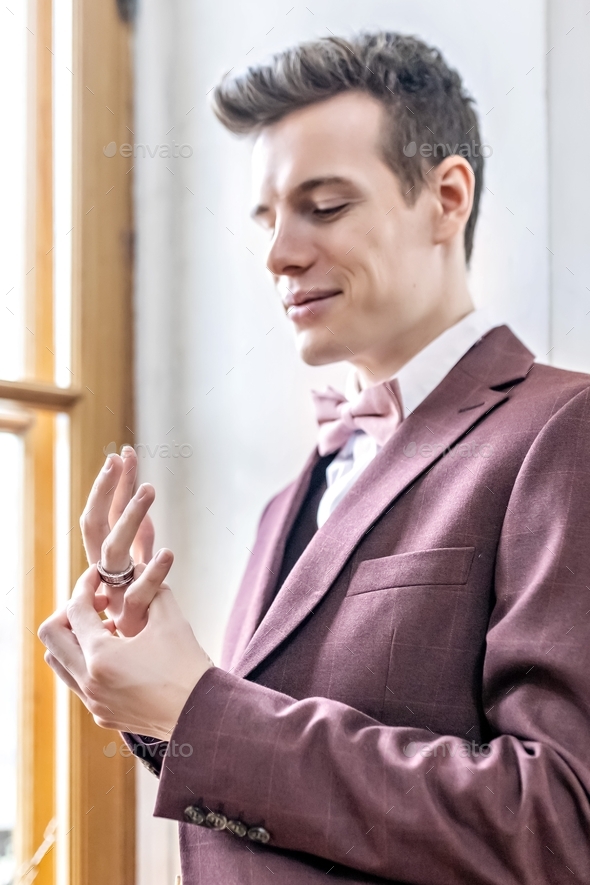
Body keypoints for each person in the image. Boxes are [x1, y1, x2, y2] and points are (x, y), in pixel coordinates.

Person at [39, 31, 590, 885]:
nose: (278, 255)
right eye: (267, 218)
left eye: (324, 206)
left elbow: (559, 824)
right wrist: (150, 702)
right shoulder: (286, 501)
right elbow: (288, 801)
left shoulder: (564, 428)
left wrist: (199, 707)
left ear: (447, 198)